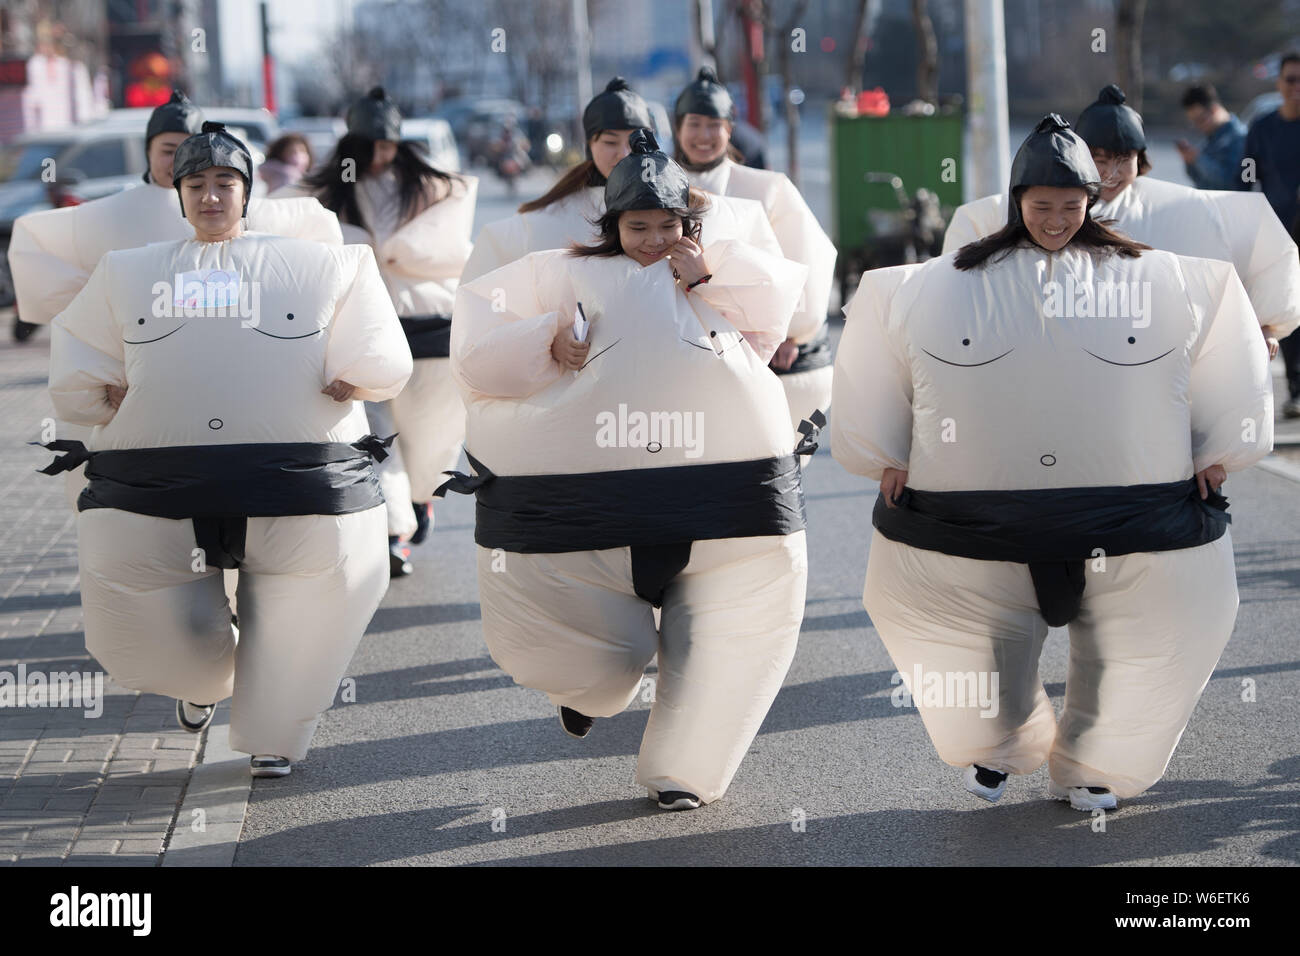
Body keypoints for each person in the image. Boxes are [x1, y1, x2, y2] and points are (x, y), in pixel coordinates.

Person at [834, 115, 1273, 811]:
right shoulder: (936, 284)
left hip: (1134, 515)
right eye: (1042, 208)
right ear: (1016, 203)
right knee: (981, 638)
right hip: (979, 519)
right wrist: (885, 450)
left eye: (1072, 207)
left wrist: (1220, 450)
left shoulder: (1162, 278)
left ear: (1090, 204)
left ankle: (1099, 765)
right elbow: (877, 343)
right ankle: (998, 742)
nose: (1058, 221)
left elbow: (1227, 333)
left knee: (1137, 647)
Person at [447, 130, 810, 810]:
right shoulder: (558, 274)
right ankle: (586, 691)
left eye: (667, 225)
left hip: (721, 496)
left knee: (728, 637)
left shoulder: (722, 270)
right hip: (591, 502)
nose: (652, 238)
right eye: (638, 226)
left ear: (688, 223)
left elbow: (770, 333)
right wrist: (545, 340)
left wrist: (705, 277)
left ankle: (685, 770)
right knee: (598, 658)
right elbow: (476, 358)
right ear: (612, 224)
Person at [39, 123, 411, 778]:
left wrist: (362, 370)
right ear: (178, 195)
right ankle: (201, 680)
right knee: (165, 632)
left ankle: (275, 730)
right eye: (197, 185)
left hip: (294, 485)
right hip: (161, 488)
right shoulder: (131, 272)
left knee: (311, 598)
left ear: (247, 192)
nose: (211, 197)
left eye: (225, 183)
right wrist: (97, 394)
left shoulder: (316, 264)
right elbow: (79, 360)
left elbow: (375, 337)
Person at [9, 89, 344, 511]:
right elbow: (36, 251)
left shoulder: (243, 209)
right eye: (170, 150)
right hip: (139, 388)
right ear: (148, 150)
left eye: (219, 178)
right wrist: (99, 354)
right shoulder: (109, 214)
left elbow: (325, 266)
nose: (186, 164)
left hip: (239, 386)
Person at [943, 84, 1299, 373]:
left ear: (1140, 161)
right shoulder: (1016, 210)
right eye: (1099, 159)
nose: (1111, 172)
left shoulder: (1179, 209)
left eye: (1124, 159)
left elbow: (1254, 235)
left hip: (1146, 362)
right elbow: (957, 280)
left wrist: (1266, 321)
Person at [284, 87, 479, 575]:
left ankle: (418, 502)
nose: (383, 155)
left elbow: (458, 245)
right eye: (374, 145)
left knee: (431, 438)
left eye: (390, 145)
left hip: (428, 330)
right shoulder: (325, 193)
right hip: (363, 330)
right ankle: (394, 532)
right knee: (378, 436)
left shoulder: (435, 188)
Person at [461, 76, 784, 284]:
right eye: (609, 142)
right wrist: (552, 340)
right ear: (589, 144)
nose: (622, 154)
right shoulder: (546, 220)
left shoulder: (692, 205)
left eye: (633, 140)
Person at [672, 66, 837, 446]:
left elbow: (805, 258)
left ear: (730, 129)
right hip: (684, 345)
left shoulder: (766, 187)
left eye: (714, 124)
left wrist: (792, 330)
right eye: (694, 124)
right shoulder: (658, 189)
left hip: (762, 350)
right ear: (678, 127)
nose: (703, 135)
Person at [1244, 52, 1300, 418]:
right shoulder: (1261, 128)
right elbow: (1246, 176)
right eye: (1291, 79)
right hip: (1277, 238)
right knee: (1287, 315)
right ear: (1279, 83)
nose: (1296, 88)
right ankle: (1295, 392)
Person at [1176, 85, 1248, 191]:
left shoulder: (1240, 138)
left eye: (1200, 120)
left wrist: (1198, 159)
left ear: (1214, 110)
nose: (1198, 126)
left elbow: (1232, 183)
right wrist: (1190, 161)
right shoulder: (1210, 140)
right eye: (1193, 122)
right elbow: (1201, 182)